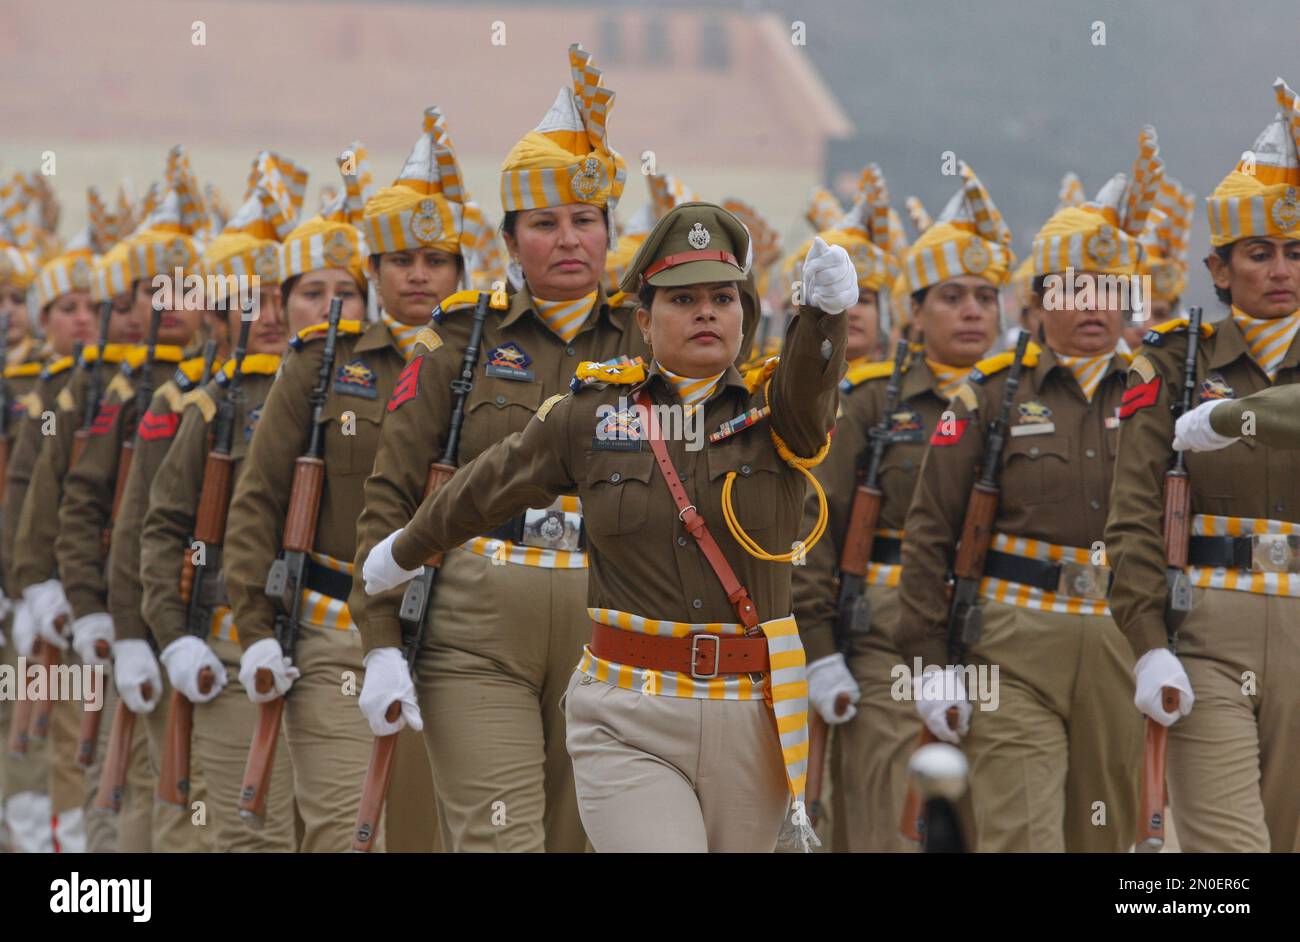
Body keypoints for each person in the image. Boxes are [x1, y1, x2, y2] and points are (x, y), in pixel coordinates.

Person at [362, 201, 858, 852]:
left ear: (745, 313)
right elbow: (493, 481)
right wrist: (406, 548)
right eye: (682, 300)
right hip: (628, 715)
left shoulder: (779, 419)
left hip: (753, 713)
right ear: (644, 323)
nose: (705, 311)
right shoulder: (595, 416)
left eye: (722, 297)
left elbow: (813, 386)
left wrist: (824, 318)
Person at [351, 46, 660, 853]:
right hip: (477, 626)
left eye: (584, 220)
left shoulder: (654, 342)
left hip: (615, 621)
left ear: (608, 231)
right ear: (510, 238)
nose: (567, 240)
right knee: (500, 839)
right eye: (544, 223)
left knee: (584, 839)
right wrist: (380, 641)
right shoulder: (458, 341)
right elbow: (389, 498)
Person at [897, 134, 1162, 852]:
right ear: (1037, 302)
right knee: (1020, 833)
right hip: (1011, 645)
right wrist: (930, 666)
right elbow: (931, 532)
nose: (1092, 305)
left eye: (1109, 290)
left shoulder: (1159, 399)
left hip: (1120, 639)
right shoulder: (986, 400)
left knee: (1104, 835)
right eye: (1072, 288)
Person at [222, 122, 458, 852]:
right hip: (338, 636)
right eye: (399, 261)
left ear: (461, 271)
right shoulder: (325, 364)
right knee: (347, 832)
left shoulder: (493, 364)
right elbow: (258, 498)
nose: (419, 276)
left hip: (467, 640)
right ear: (375, 274)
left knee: (443, 835)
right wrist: (255, 628)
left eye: (436, 261)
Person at [1105, 78, 1300, 852]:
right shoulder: (1169, 365)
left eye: (1295, 252)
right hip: (1207, 626)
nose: (1280, 269)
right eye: (1259, 254)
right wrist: (1148, 640)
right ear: (1219, 271)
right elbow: (1132, 515)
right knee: (1230, 852)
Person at [793, 162, 1003, 852]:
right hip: (885, 645)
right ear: (914, 311)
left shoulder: (1020, 404)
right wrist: (820, 652)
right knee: (892, 827)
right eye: (951, 296)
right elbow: (814, 529)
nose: (972, 310)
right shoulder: (872, 402)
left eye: (984, 295)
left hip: (995, 641)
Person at [127, 153, 314, 853]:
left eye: (278, 298)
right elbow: (155, 526)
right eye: (247, 303)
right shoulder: (204, 404)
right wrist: (161, 634)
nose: (267, 317)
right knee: (229, 826)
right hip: (225, 634)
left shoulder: (329, 395)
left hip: (320, 636)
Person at [55, 148, 209, 852]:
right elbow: (90, 508)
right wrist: (98, 615)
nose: (165, 305)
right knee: (118, 781)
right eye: (149, 292)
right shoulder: (119, 392)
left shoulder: (217, 383)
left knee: (185, 789)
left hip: (197, 616)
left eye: (181, 288)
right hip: (132, 613)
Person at [9, 197, 151, 852]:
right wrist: (30, 583)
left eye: (89, 308)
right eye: (69, 309)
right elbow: (35, 492)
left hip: (130, 593)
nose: (84, 321)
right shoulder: (68, 391)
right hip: (72, 594)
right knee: (62, 731)